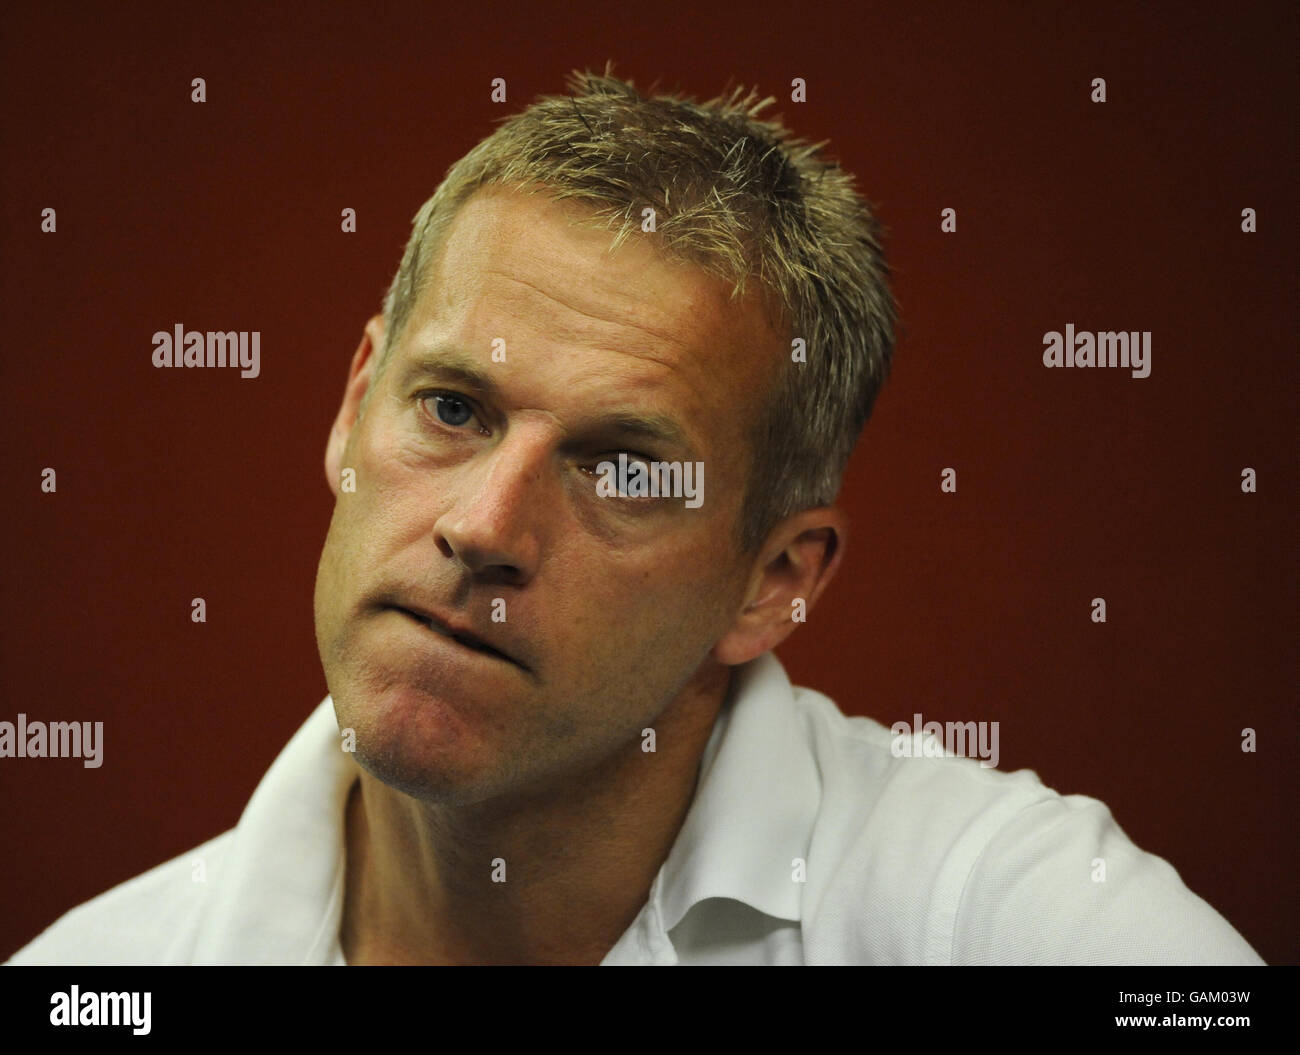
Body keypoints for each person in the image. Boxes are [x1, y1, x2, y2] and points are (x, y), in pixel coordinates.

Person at [7, 67, 1262, 966]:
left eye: (621, 467)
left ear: (774, 579)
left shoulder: (988, 910)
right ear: (352, 405)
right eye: (451, 407)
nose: (484, 525)